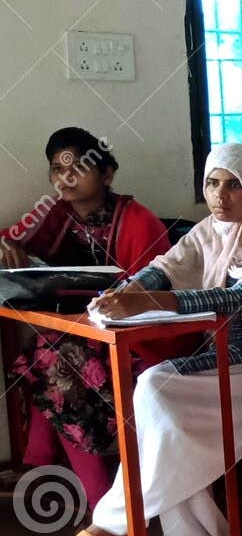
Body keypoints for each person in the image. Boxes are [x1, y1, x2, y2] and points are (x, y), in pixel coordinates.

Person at [40, 143, 242, 536]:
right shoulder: (213, 230)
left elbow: (239, 299)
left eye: (234, 184)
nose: (220, 195)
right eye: (212, 183)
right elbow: (166, 267)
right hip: (233, 354)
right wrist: (127, 291)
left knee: (156, 393)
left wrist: (148, 302)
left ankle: (117, 523)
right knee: (163, 416)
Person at [2, 127, 171, 505]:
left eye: (78, 167)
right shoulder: (54, 215)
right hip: (87, 337)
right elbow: (10, 236)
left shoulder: (139, 222)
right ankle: (73, 483)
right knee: (52, 354)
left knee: (53, 360)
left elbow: (149, 300)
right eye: (57, 170)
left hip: (144, 340)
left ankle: (82, 491)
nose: (67, 178)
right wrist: (7, 245)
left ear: (107, 174)